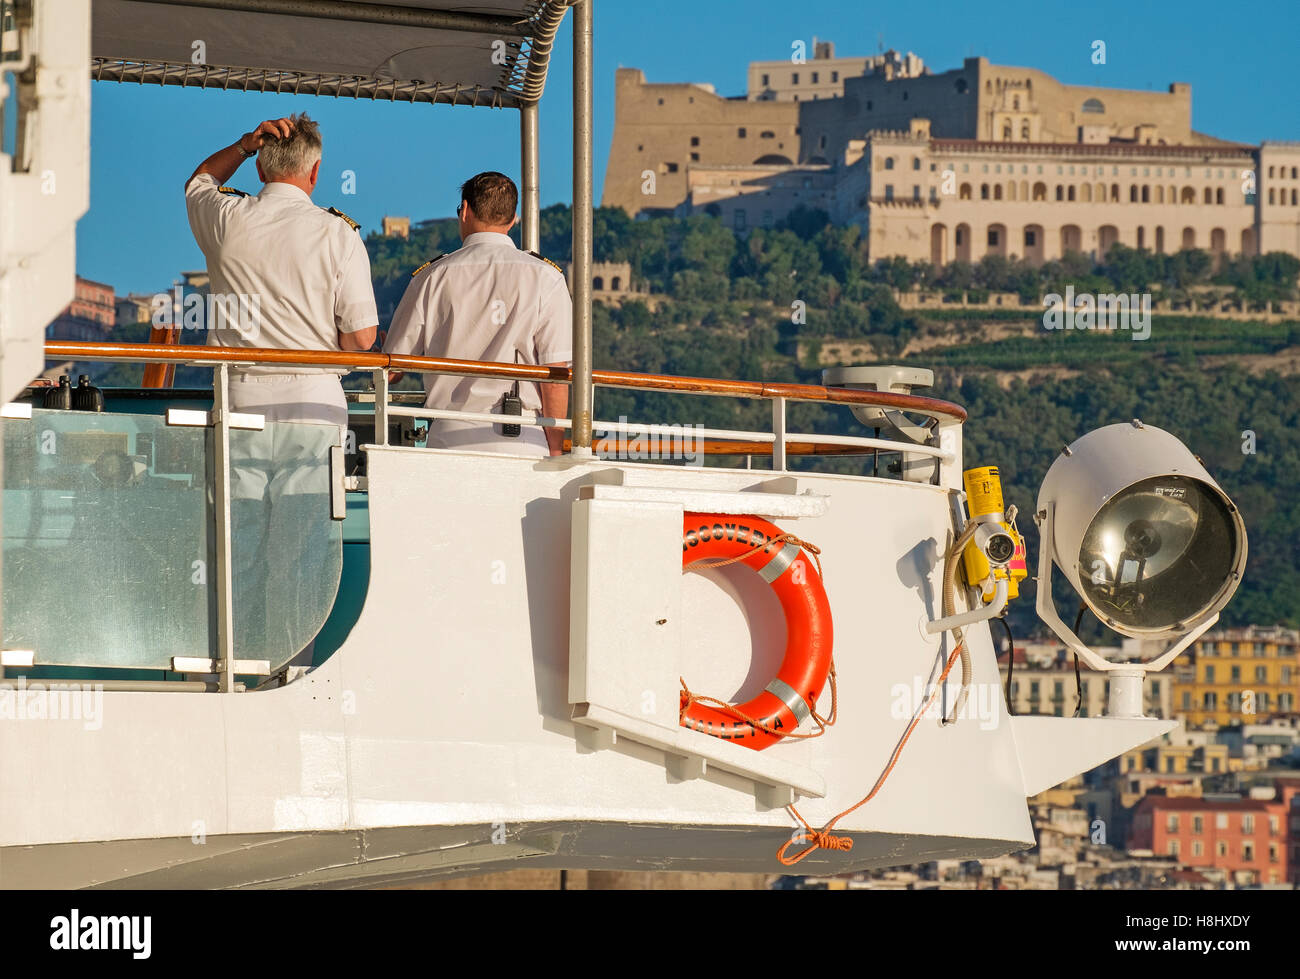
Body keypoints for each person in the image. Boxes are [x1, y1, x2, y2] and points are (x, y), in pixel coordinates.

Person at [184, 114, 378, 669]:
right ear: (315, 172)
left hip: (240, 403)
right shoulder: (338, 234)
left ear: (263, 164)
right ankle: (288, 671)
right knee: (300, 554)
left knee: (235, 549)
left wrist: (243, 145)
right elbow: (362, 337)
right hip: (313, 410)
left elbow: (199, 180)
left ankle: (231, 666)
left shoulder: (227, 218)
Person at [383, 171, 571, 456]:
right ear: (514, 218)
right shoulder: (546, 277)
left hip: (450, 436)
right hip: (523, 438)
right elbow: (555, 378)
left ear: (465, 211)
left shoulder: (432, 277)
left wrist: (383, 348)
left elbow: (393, 367)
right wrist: (555, 449)